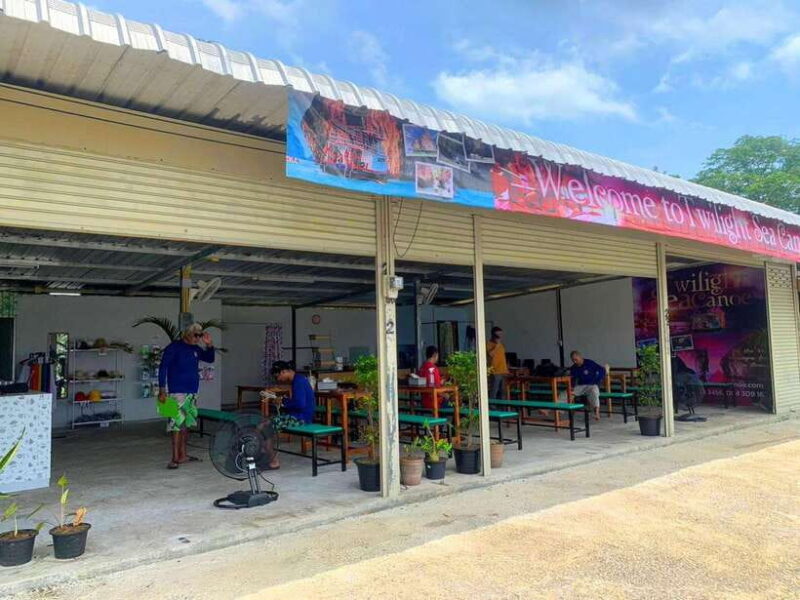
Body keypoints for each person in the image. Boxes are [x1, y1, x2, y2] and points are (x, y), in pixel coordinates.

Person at [158, 323, 215, 469]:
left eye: (200, 335)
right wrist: (162, 389)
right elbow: (163, 367)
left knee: (186, 424)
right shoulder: (174, 347)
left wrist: (209, 345)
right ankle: (174, 458)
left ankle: (183, 455)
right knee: (175, 424)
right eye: (196, 335)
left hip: (192, 391)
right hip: (176, 391)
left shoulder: (195, 348)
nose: (198, 338)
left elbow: (210, 359)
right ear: (187, 334)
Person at [267, 361, 316, 469]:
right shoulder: (299, 379)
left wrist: (283, 402)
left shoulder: (298, 381)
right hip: (301, 416)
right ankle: (267, 454)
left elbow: (300, 404)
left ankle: (273, 460)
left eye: (278, 376)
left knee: (266, 426)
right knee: (266, 422)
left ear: (284, 372)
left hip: (301, 419)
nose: (278, 379)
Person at [568, 350, 605, 420]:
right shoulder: (573, 367)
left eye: (576, 359)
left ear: (580, 357)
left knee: (594, 391)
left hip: (591, 385)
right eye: (573, 360)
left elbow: (602, 370)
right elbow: (572, 379)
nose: (574, 362)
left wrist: (598, 379)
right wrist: (571, 387)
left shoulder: (589, 363)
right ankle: (554, 410)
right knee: (567, 393)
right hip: (580, 386)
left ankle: (596, 413)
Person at [487, 326, 509, 399]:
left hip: (503, 370)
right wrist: (497, 345)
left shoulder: (501, 345)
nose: (499, 337)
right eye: (498, 335)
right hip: (495, 371)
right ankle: (492, 406)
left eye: (501, 335)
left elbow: (502, 357)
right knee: (494, 390)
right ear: (493, 335)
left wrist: (506, 369)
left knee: (503, 390)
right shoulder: (488, 344)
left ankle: (504, 406)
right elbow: (490, 354)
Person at [418, 345, 442, 410]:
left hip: (424, 401)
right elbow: (436, 387)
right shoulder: (434, 369)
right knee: (456, 402)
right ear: (435, 355)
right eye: (437, 355)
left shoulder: (422, 368)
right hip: (435, 402)